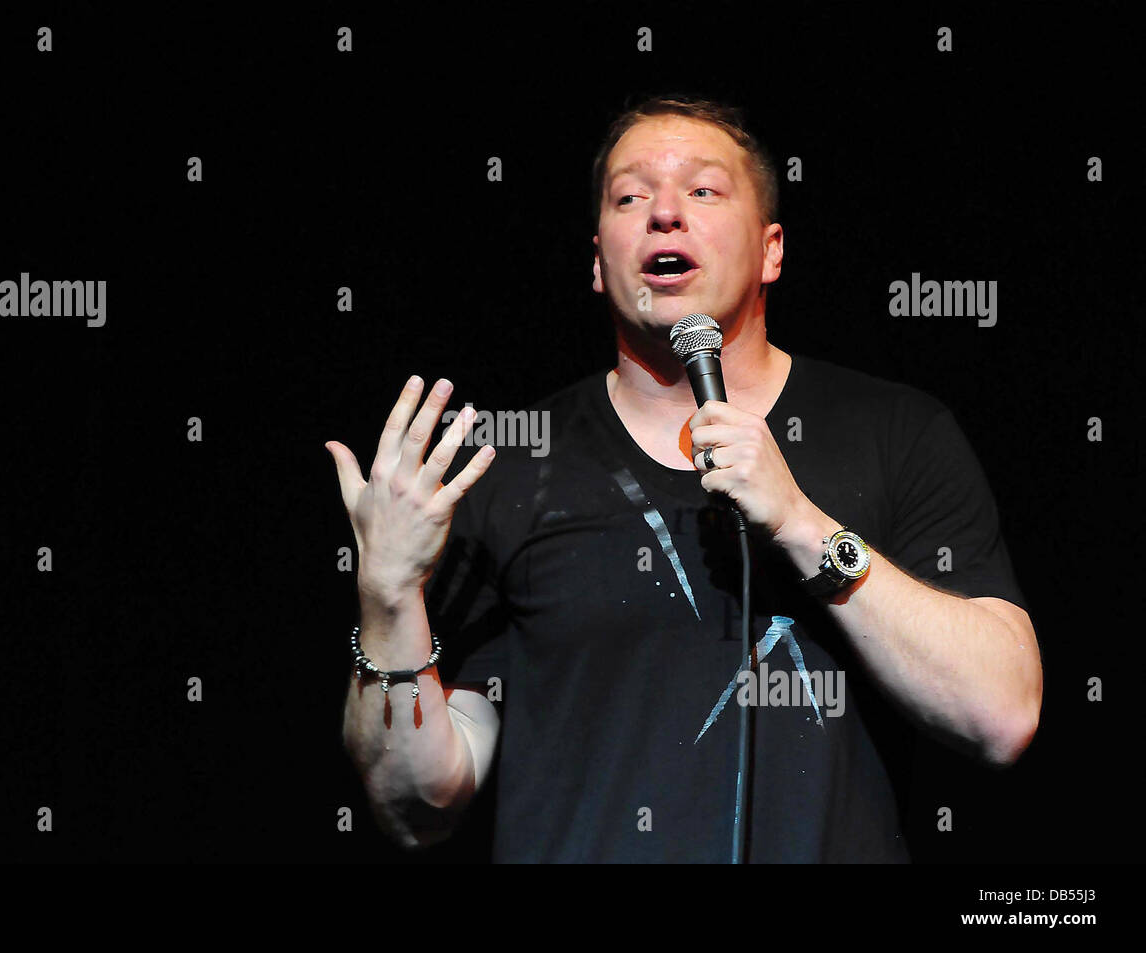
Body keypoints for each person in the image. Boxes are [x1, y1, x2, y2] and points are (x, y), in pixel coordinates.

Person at [326, 95, 1041, 862]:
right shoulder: (511, 468)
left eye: (703, 191)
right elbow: (418, 805)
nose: (665, 213)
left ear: (771, 250)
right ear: (598, 261)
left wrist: (802, 523)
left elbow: (1000, 714)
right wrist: (389, 596)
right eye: (631, 197)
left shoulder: (898, 432)